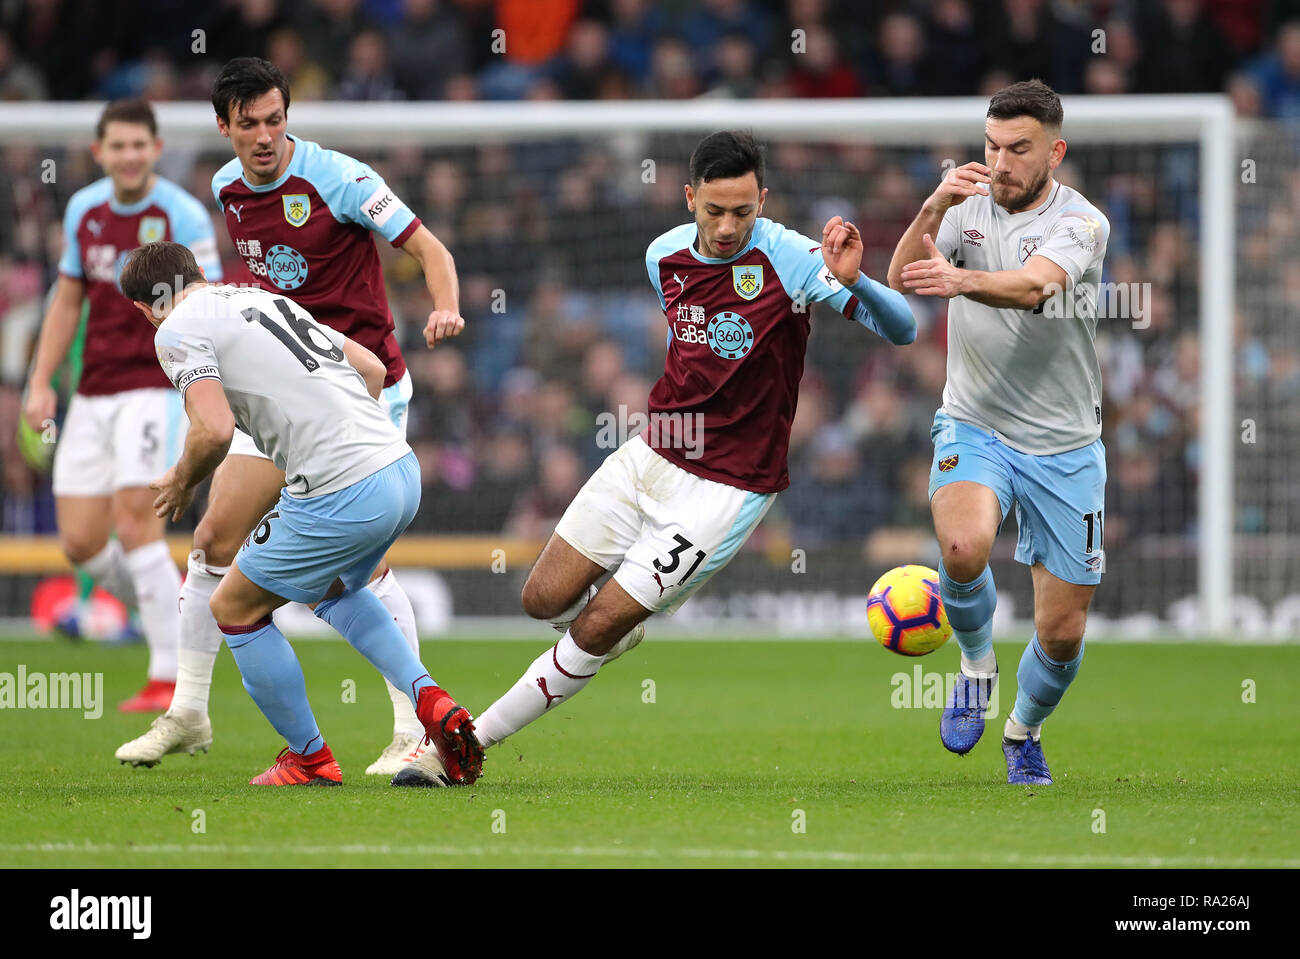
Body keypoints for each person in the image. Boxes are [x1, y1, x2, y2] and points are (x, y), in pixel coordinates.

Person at [394, 130, 917, 786]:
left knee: (597, 621)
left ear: (763, 200)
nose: (728, 227)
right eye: (715, 211)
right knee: (541, 597)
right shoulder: (662, 256)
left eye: (743, 211)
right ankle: (612, 633)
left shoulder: (795, 259)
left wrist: (856, 281)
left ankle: (462, 747)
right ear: (690, 197)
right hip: (650, 455)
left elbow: (904, 329)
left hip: (726, 490)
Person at [116, 58, 464, 774]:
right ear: (225, 128)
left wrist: (446, 306)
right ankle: (187, 710)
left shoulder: (338, 177)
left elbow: (429, 246)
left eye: (277, 119)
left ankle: (406, 724)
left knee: (359, 568)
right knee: (213, 536)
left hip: (362, 389)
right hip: (281, 389)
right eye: (251, 125)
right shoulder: (225, 189)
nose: (267, 136)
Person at [886, 79, 1110, 785]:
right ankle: (977, 666)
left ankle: (1024, 731)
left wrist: (961, 282)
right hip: (974, 421)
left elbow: (1035, 285)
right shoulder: (965, 205)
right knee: (961, 545)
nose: (1001, 161)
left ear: (1055, 151)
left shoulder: (1083, 224)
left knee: (1063, 633)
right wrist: (933, 206)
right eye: (992, 146)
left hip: (1065, 443)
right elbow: (900, 282)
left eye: (1019, 149)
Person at [23, 99, 222, 712]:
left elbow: (208, 302)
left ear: (156, 150)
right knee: (80, 542)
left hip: (155, 385)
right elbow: (65, 301)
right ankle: (183, 612)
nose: (130, 155)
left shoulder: (182, 213)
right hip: (91, 391)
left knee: (137, 522)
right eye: (119, 145)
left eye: (141, 145)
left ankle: (169, 674)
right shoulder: (84, 210)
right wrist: (39, 382)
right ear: (100, 151)